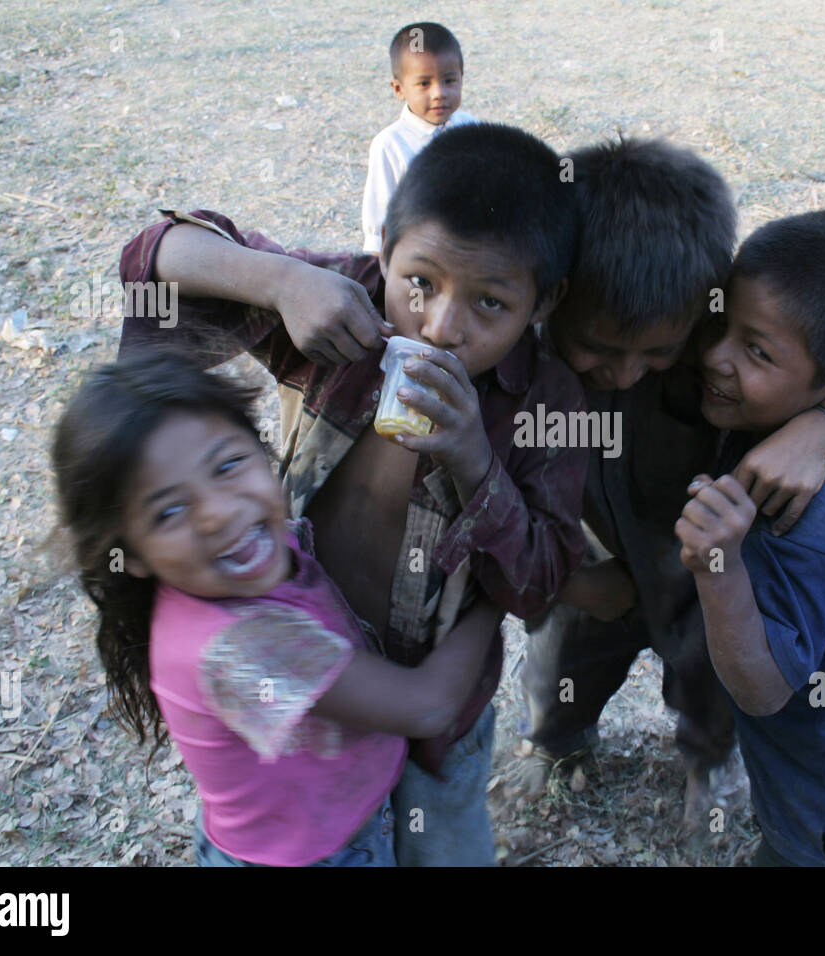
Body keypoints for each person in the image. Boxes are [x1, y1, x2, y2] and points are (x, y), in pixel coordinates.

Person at [117, 122, 586, 865]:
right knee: (329, 838)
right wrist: (281, 282)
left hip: (441, 713)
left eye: (490, 304)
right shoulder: (344, 309)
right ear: (384, 249)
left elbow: (538, 587)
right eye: (420, 283)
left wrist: (473, 460)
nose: (440, 326)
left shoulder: (548, 405)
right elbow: (150, 261)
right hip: (316, 697)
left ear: (543, 302)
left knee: (443, 847)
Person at [515, 137, 825, 837]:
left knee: (707, 689)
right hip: (589, 559)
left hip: (699, 570)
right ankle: (555, 745)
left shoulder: (711, 326)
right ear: (554, 299)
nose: (626, 373)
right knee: (559, 671)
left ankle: (705, 765)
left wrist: (821, 430)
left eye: (660, 353)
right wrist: (573, 578)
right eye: (600, 349)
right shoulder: (519, 333)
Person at [51, 353, 502, 866]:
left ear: (261, 447)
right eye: (170, 511)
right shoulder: (239, 647)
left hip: (338, 824)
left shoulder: (246, 559)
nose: (219, 512)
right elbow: (426, 707)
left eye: (227, 466)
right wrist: (495, 594)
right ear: (128, 554)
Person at [675, 210, 825, 866]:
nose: (715, 355)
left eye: (755, 351)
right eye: (721, 327)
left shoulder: (796, 517)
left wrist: (718, 567)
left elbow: (762, 691)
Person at [361, 22, 477, 255]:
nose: (439, 93)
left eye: (449, 80)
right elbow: (379, 222)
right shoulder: (390, 145)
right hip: (418, 254)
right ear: (399, 89)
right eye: (424, 84)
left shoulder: (472, 128)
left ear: (462, 78)